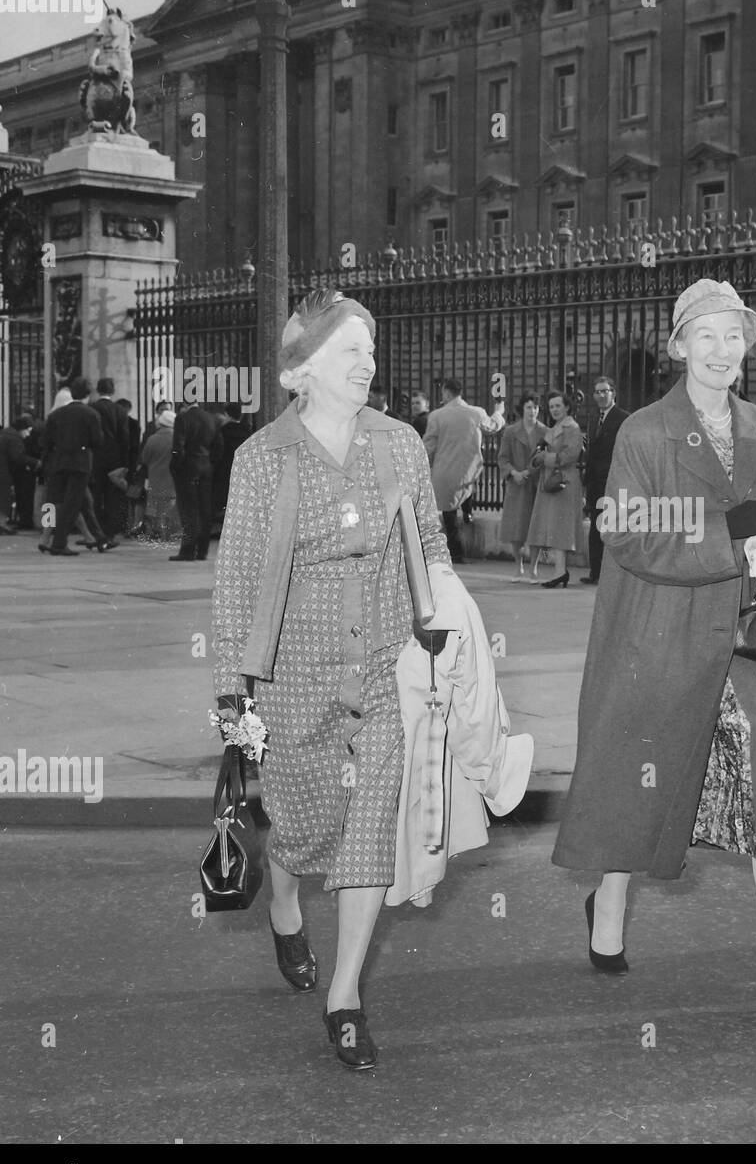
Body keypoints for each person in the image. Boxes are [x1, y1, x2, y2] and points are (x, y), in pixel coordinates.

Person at [212, 289, 530, 1070]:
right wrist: (232, 692)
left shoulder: (398, 445)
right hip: (294, 676)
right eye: (351, 350)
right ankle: (284, 900)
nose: (369, 363)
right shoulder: (262, 458)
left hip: (385, 667)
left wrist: (445, 609)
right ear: (302, 371)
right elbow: (238, 578)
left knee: (366, 831)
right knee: (300, 826)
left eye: (372, 350)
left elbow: (427, 537)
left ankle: (345, 994)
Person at [552, 277, 756, 1030]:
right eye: (704, 334)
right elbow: (628, 534)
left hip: (749, 636)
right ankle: (608, 901)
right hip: (662, 630)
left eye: (732, 333)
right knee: (637, 780)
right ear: (678, 347)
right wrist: (732, 538)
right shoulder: (642, 433)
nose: (721, 348)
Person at [421, 377, 505, 564]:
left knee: (448, 513)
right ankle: (468, 512)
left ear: (447, 393)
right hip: (469, 470)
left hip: (444, 469)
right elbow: (493, 426)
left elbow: (429, 446)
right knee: (466, 492)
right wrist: (499, 412)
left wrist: (422, 466)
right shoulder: (476, 413)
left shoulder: (436, 416)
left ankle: (456, 552)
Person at [41, 376, 114, 555]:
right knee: (71, 504)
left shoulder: (55, 415)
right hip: (80, 463)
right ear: (87, 394)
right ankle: (59, 544)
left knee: (84, 502)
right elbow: (97, 441)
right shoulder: (90, 414)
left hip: (59, 462)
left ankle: (100, 538)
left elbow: (46, 442)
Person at [525, 390, 584, 588]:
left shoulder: (572, 427)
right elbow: (538, 453)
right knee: (554, 526)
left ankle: (560, 571)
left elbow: (570, 455)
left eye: (558, 405)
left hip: (563, 482)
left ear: (567, 407)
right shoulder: (556, 427)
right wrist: (538, 458)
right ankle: (559, 571)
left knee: (561, 526)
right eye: (551, 407)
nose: (555, 410)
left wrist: (545, 458)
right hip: (552, 481)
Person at [580, 375, 630, 585]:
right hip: (595, 485)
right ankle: (596, 573)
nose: (601, 395)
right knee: (596, 528)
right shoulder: (594, 419)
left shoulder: (623, 418)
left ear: (613, 393)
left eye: (605, 391)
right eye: (598, 392)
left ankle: (615, 574)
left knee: (614, 529)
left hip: (614, 483)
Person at [498, 391, 546, 582]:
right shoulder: (510, 431)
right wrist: (514, 473)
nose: (532, 411)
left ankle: (533, 568)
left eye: (535, 407)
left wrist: (531, 471)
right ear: (522, 409)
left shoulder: (546, 432)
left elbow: (546, 458)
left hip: (537, 485)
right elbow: (502, 457)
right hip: (517, 485)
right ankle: (518, 567)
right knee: (516, 528)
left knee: (536, 528)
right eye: (528, 407)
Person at [170, 399, 222, 561]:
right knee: (204, 509)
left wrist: (175, 467)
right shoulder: (212, 419)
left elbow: (178, 447)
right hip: (205, 466)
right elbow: (219, 446)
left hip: (188, 467)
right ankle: (202, 550)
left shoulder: (182, 419)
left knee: (188, 510)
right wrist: (210, 463)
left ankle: (188, 550)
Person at [89, 377, 130, 544]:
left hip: (95, 458)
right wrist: (125, 462)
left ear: (98, 390)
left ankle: (97, 532)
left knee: (96, 496)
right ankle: (110, 532)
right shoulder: (119, 410)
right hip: (114, 459)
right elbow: (124, 438)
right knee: (113, 498)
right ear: (112, 391)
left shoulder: (91, 408)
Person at [137, 409, 179, 540]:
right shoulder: (177, 439)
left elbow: (144, 458)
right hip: (172, 477)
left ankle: (156, 530)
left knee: (154, 505)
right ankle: (168, 532)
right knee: (170, 504)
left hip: (155, 477)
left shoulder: (153, 439)